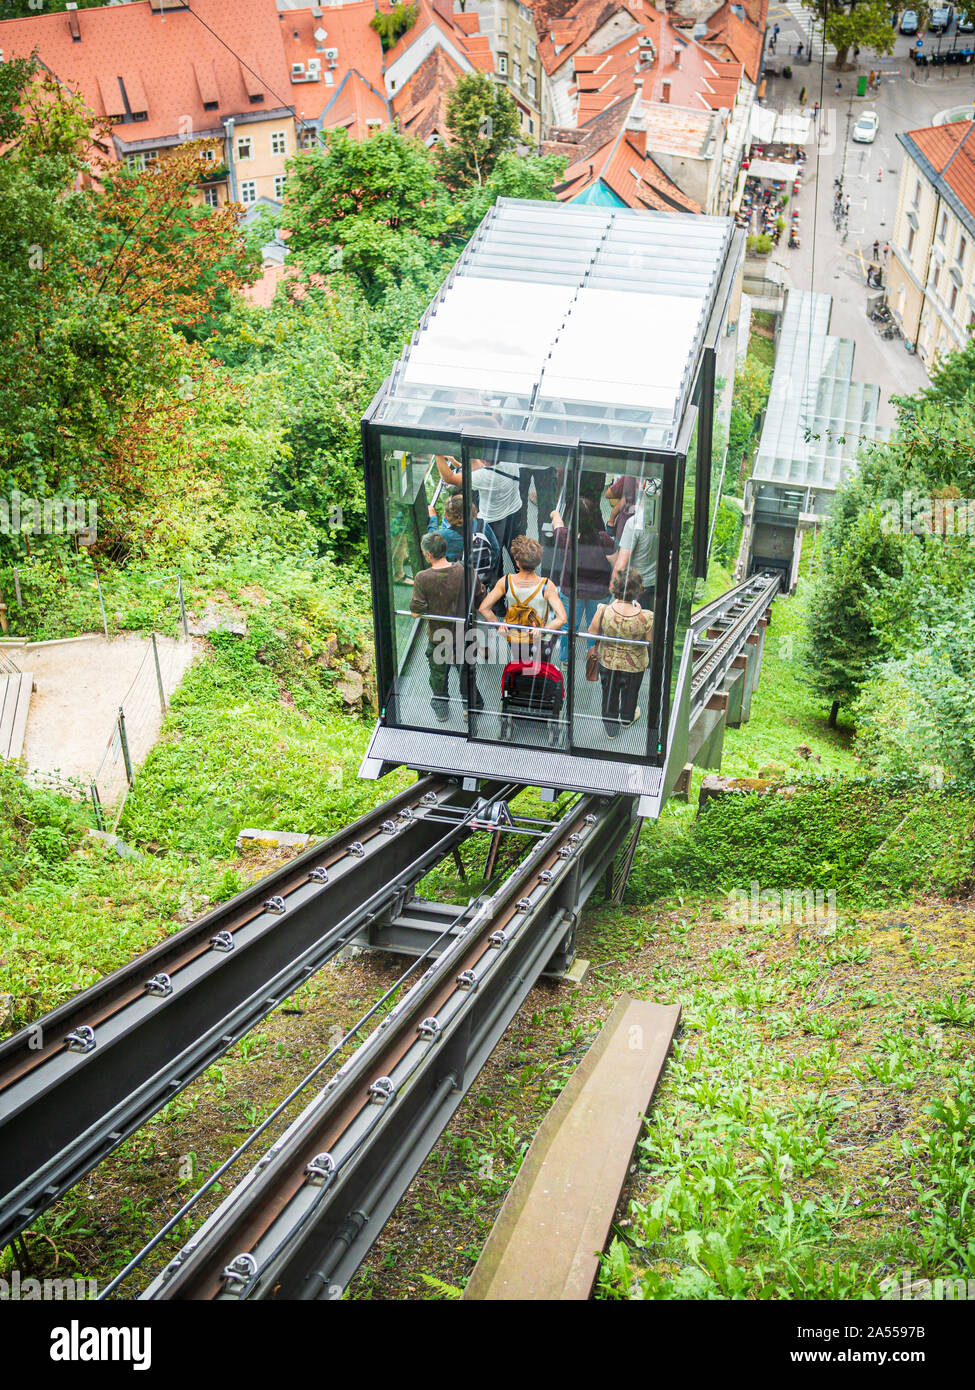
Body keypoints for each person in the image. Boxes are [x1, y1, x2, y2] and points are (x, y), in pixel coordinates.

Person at [410, 533, 481, 721]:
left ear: (428, 555)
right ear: (445, 549)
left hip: (438, 636)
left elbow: (416, 611)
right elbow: (480, 598)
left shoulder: (422, 578)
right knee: (466, 671)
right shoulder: (467, 571)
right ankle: (470, 708)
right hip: (464, 634)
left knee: (438, 675)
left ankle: (441, 711)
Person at [479, 535, 566, 665]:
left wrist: (499, 626)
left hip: (516, 636)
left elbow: (484, 608)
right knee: (541, 670)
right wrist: (543, 630)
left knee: (519, 667)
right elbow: (562, 618)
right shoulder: (547, 586)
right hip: (541, 639)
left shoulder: (506, 581)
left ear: (517, 562)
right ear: (538, 562)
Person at [589, 570, 653, 739]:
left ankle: (611, 730)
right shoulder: (646, 617)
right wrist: (637, 609)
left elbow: (592, 631)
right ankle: (627, 718)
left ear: (615, 588)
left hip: (608, 661)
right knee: (630, 693)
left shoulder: (604, 610)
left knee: (609, 694)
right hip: (634, 665)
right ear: (638, 591)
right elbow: (650, 639)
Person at [435, 449, 522, 572]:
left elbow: (450, 478)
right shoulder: (511, 462)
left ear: (485, 460)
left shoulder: (483, 477)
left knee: (494, 551)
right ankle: (520, 570)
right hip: (515, 512)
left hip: (494, 521)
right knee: (515, 546)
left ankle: (497, 580)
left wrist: (437, 454)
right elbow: (478, 467)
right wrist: (457, 463)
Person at [549, 497, 615, 650]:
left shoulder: (565, 537)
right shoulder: (603, 539)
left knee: (568, 627)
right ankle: (591, 656)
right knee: (595, 627)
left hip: (572, 591)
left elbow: (557, 524)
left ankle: (565, 659)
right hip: (599, 591)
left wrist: (555, 514)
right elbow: (616, 563)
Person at [431, 492, 500, 586]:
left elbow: (430, 539)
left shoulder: (445, 536)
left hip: (462, 583)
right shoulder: (482, 524)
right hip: (484, 579)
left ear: (447, 516)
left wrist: (433, 518)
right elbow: (495, 549)